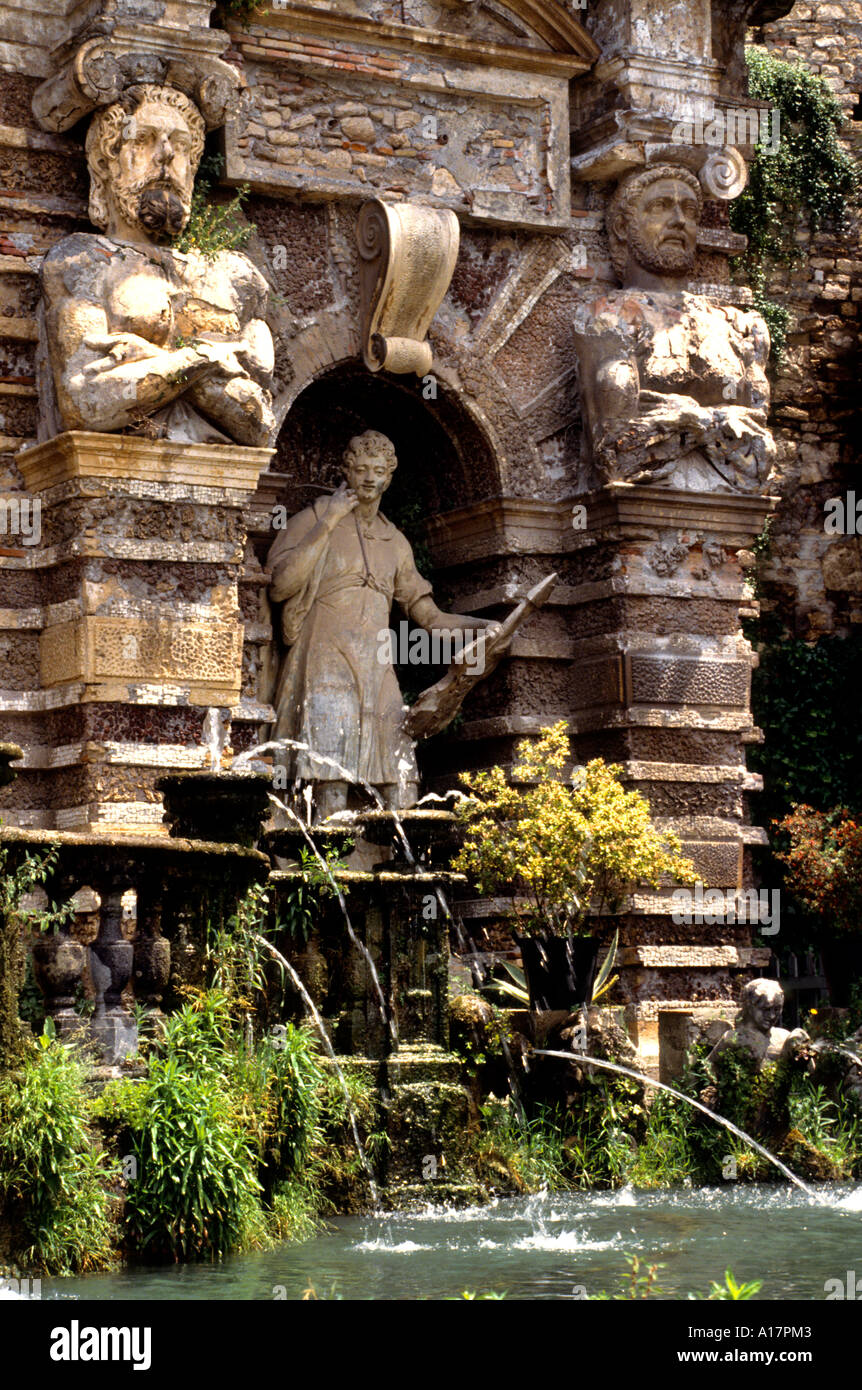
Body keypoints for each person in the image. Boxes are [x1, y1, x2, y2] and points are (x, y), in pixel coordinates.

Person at [266, 429, 499, 818]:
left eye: (377, 470)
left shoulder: (396, 542)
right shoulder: (315, 518)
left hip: (376, 666)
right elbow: (279, 586)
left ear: (389, 476)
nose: (369, 478)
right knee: (329, 773)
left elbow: (429, 617)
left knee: (401, 771)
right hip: (324, 657)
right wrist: (332, 519)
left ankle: (404, 867)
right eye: (360, 469)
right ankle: (324, 866)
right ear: (346, 471)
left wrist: (481, 627)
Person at [40, 82, 274, 447]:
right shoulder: (80, 262)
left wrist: (152, 356)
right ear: (106, 163)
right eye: (144, 140)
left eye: (180, 146)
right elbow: (86, 403)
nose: (165, 155)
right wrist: (211, 356)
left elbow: (259, 423)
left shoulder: (233, 277)